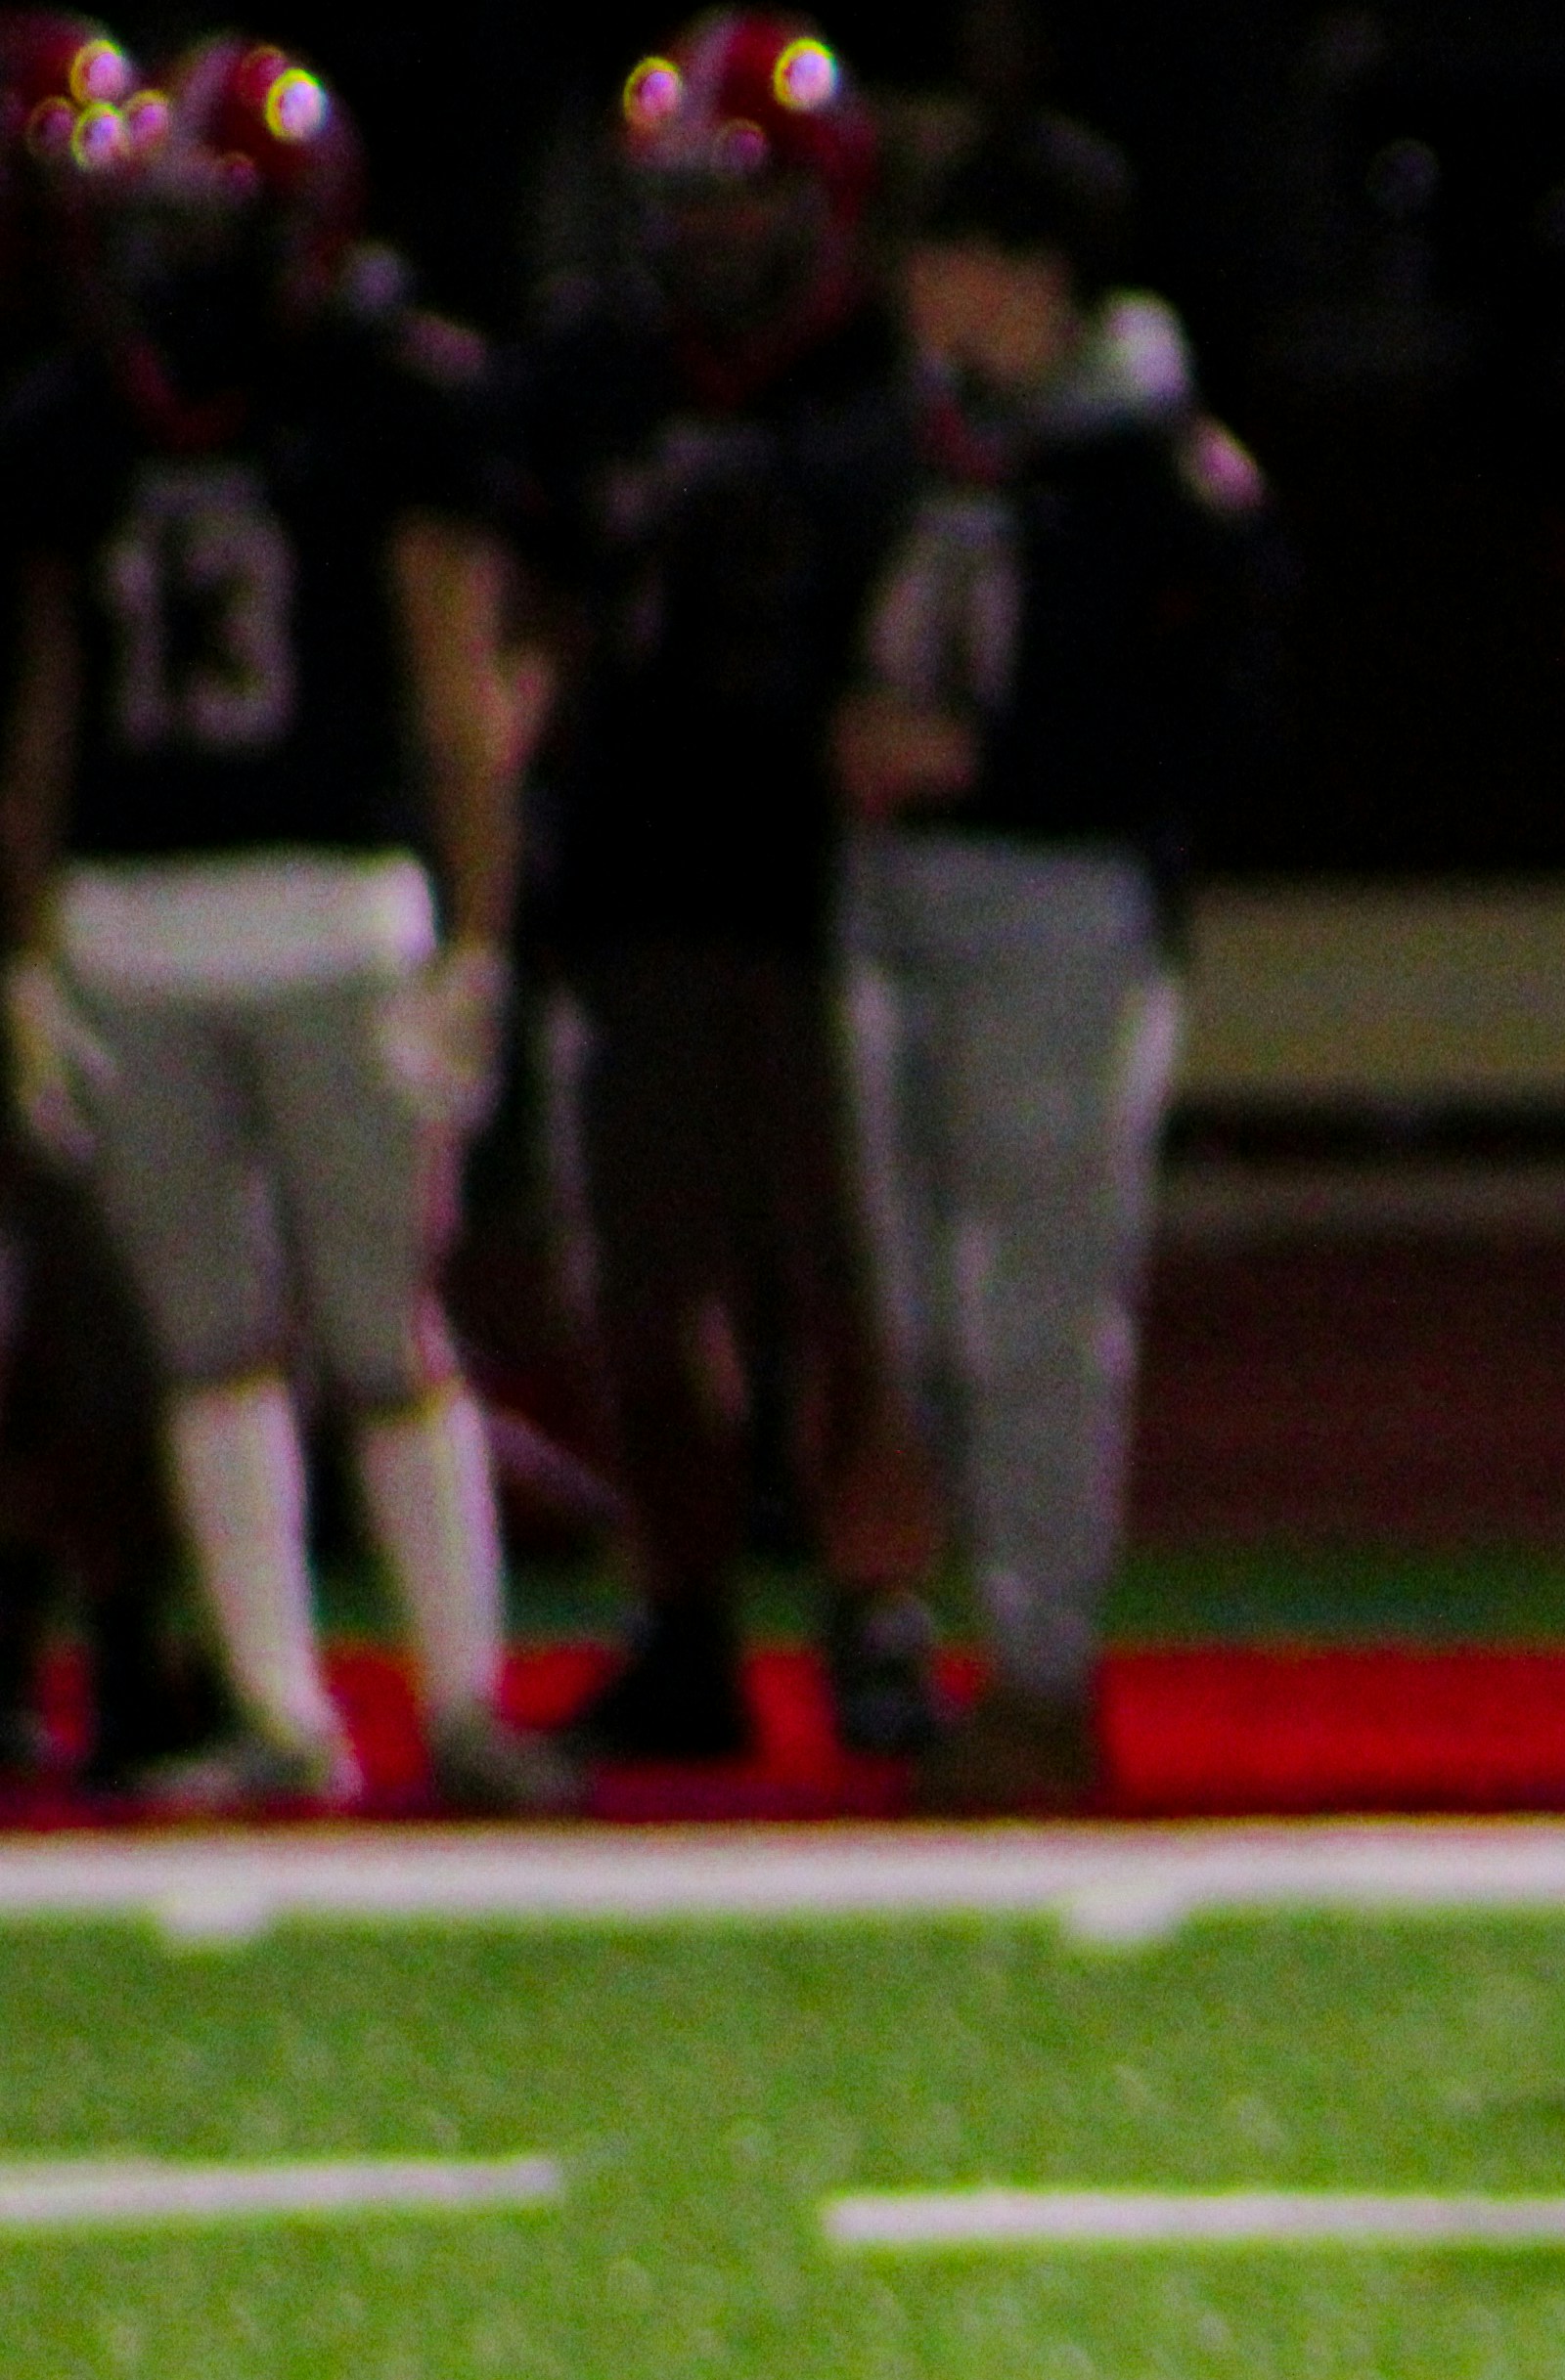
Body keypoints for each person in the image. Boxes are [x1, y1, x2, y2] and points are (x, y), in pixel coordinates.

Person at [0, 33, 564, 1814]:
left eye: (209, 220)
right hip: (134, 927)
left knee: (382, 1329)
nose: (174, 257)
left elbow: (457, 695)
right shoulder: (71, 419)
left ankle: (461, 1705)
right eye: (159, 220)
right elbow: (43, 713)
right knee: (207, 1343)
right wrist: (25, 945)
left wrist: (478, 936)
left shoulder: (391, 396)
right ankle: (282, 1712)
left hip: (329, 912)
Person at [517, 10, 942, 1770]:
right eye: (680, 194)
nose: (702, 229)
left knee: (854, 1280)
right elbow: (530, 622)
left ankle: (875, 1610)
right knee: (642, 1289)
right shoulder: (592, 375)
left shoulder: (894, 383)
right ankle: (686, 1620)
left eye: (738, 191)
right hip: (637, 878)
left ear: (823, 200)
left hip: (835, 887)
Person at [832, 105, 1269, 1812]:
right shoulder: (909, 443)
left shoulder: (1161, 476)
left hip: (1057, 913)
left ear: (1034, 276)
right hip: (892, 901)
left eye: (951, 253)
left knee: (1037, 1317)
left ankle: (1040, 1672)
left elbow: (1214, 730)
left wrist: (989, 760)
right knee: (917, 1318)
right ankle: (929, 1636)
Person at [0, 2, 213, 1787]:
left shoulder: (118, 397)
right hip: (73, 873)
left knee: (113, 1293)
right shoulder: (79, 404)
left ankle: (125, 1627)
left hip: (99, 879)